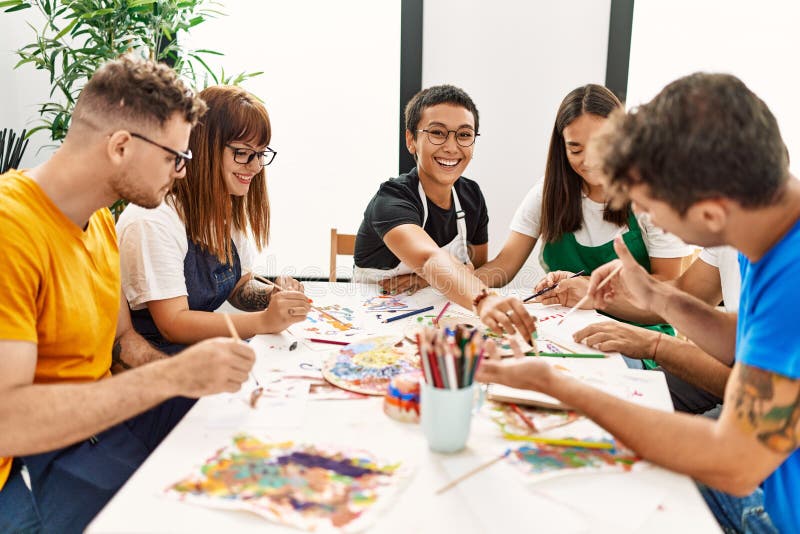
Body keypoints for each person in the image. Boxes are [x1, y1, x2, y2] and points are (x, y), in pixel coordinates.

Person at [476, 73, 799, 532]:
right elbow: (746, 339)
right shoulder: (768, 227)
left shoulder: (791, 273)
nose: (644, 216)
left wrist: (560, 386)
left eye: (650, 206)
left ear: (710, 213)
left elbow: (734, 462)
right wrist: (656, 295)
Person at [0, 56, 256, 532]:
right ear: (120, 146)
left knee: (246, 445)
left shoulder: (99, 220)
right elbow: (8, 424)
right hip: (28, 463)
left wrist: (191, 378)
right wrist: (172, 375)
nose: (182, 173)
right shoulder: (10, 230)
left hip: (97, 433)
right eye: (175, 158)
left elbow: (123, 344)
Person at [476, 84, 692, 368]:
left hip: (637, 337)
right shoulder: (548, 192)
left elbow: (668, 288)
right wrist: (453, 282)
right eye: (575, 149)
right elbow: (504, 265)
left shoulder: (650, 197)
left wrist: (593, 292)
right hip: (567, 330)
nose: (589, 161)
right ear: (562, 148)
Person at [117, 85, 308, 355]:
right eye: (242, 153)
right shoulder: (153, 219)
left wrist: (273, 295)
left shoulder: (225, 204)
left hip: (202, 351)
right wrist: (264, 321)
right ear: (204, 148)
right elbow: (173, 323)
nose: (255, 166)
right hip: (155, 360)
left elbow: (239, 286)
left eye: (260, 154)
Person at [354, 84, 535, 339]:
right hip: (375, 325)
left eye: (464, 135)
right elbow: (428, 259)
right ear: (411, 140)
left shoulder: (471, 196)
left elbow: (475, 269)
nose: (451, 147)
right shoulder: (391, 200)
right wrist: (483, 299)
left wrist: (430, 280)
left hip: (442, 320)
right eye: (437, 133)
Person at [574, 246, 741, 414]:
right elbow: (688, 293)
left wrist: (657, 345)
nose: (667, 235)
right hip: (733, 371)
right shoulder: (729, 243)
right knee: (606, 397)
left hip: (746, 388)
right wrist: (646, 292)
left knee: (624, 419)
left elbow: (746, 378)